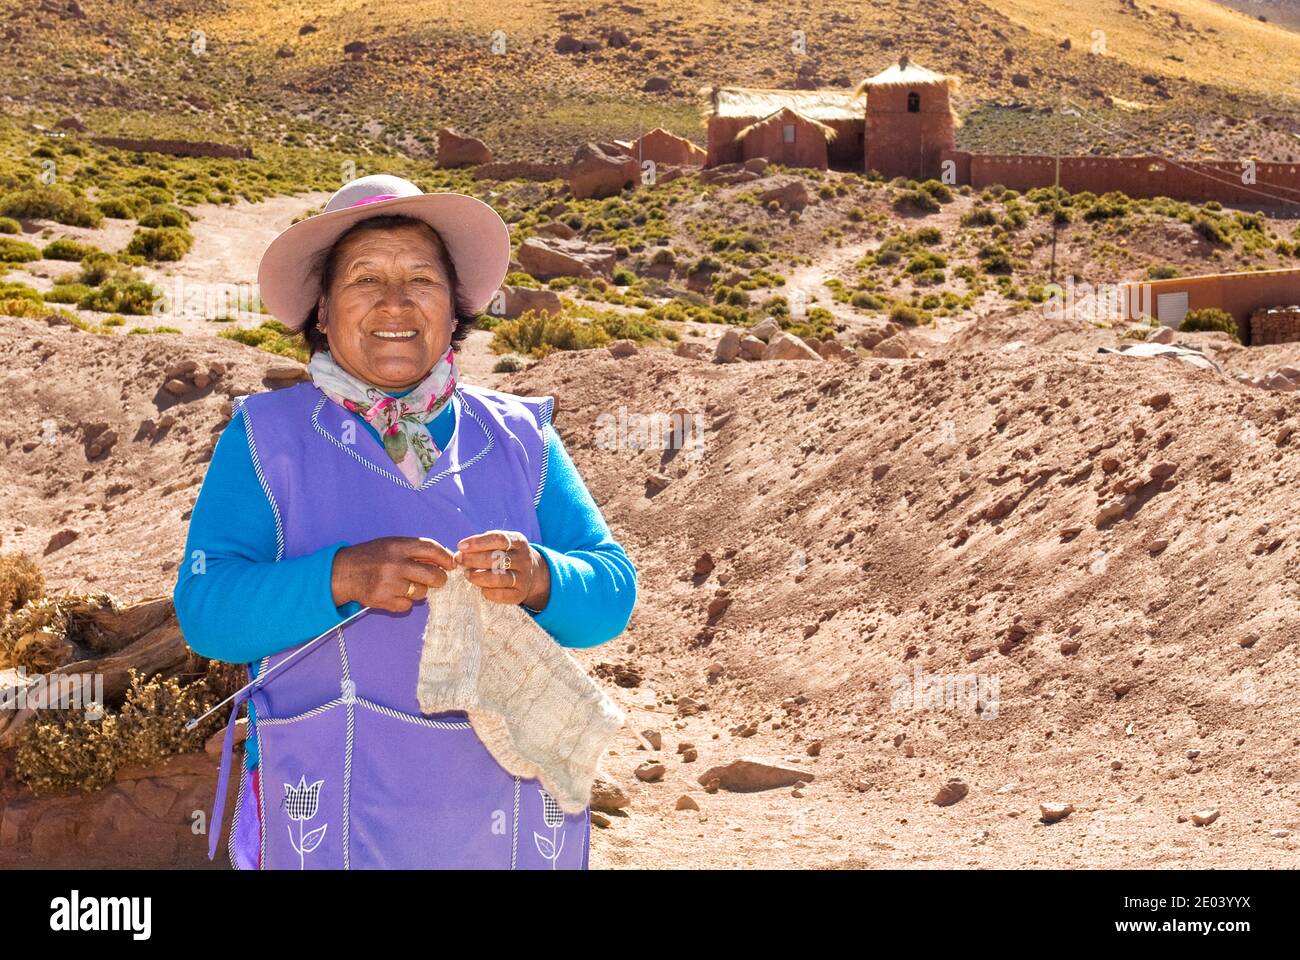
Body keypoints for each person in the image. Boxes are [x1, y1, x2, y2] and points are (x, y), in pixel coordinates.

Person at [172, 173, 637, 869]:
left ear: (455, 310)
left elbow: (611, 594)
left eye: (421, 279)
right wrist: (342, 576)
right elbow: (207, 612)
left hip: (502, 823)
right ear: (324, 312)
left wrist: (541, 576)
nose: (394, 302)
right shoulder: (268, 437)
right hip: (334, 815)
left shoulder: (520, 437)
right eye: (365, 280)